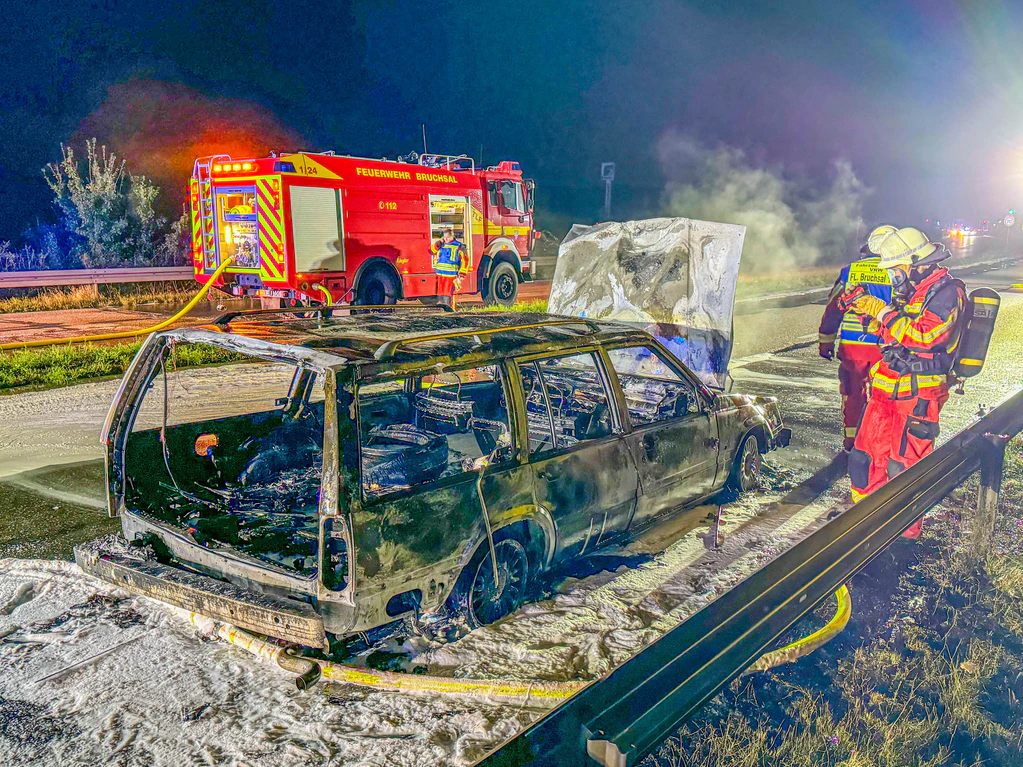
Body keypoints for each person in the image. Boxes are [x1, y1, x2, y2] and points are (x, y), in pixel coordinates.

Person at [845, 226, 966, 539]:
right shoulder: (913, 293)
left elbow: (924, 337)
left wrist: (884, 312)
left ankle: (902, 541)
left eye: (896, 269)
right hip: (886, 393)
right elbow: (896, 337)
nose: (893, 276)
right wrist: (871, 318)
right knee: (864, 460)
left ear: (917, 263)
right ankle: (865, 525)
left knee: (905, 469)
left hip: (918, 397)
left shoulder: (947, 293)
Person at [818, 226, 897, 450]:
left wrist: (826, 341)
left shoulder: (850, 271)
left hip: (853, 347)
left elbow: (834, 307)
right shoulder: (899, 271)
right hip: (886, 346)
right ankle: (879, 443)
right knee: (884, 395)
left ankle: (852, 440)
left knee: (852, 393)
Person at [431, 227, 469, 308]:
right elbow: (430, 251)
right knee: (440, 295)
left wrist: (461, 275)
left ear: (452, 236)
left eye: (447, 237)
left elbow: (465, 261)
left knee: (448, 295)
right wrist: (438, 243)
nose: (446, 239)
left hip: (451, 276)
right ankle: (443, 311)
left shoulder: (459, 246)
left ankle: (450, 311)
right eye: (444, 237)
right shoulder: (441, 244)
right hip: (440, 275)